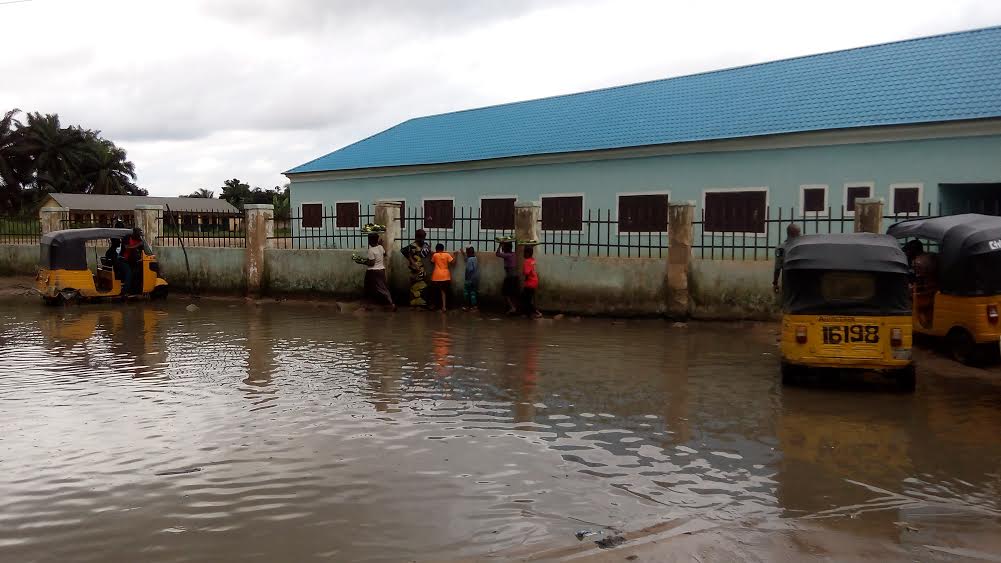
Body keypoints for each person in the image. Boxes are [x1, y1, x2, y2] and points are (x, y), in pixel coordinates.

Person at [362, 233, 396, 311]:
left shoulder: (371, 250)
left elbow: (371, 263)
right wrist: (380, 245)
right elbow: (385, 254)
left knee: (377, 288)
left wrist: (363, 262)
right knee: (379, 287)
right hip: (381, 270)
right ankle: (370, 304)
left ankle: (391, 304)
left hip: (373, 272)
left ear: (370, 241)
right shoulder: (380, 247)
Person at [401, 229, 432, 308]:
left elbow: (428, 253)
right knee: (415, 286)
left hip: (421, 268)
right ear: (417, 237)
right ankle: (415, 303)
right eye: (422, 237)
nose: (423, 239)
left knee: (423, 285)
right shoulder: (412, 246)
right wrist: (412, 262)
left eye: (423, 237)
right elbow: (404, 251)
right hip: (414, 269)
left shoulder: (424, 245)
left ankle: (421, 303)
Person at [773, 223, 801, 293]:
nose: (800, 235)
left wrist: (775, 283)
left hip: (787, 282)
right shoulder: (801, 247)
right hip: (800, 281)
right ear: (795, 234)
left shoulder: (781, 248)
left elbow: (777, 268)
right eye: (799, 233)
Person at [430, 243, 455, 312]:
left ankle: (436, 306)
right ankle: (444, 307)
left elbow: (432, 262)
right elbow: (453, 262)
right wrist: (455, 256)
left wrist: (432, 254)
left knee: (436, 292)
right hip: (446, 276)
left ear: (436, 249)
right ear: (443, 249)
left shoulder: (435, 255)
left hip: (436, 276)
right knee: (444, 291)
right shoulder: (447, 255)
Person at [120, 227, 145, 295]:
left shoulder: (139, 240)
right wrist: (138, 244)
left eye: (139, 235)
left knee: (137, 273)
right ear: (134, 233)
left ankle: (135, 290)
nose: (139, 236)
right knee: (129, 272)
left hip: (133, 261)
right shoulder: (127, 238)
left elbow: (142, 251)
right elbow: (127, 247)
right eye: (138, 234)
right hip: (123, 260)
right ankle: (125, 291)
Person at [496, 241, 518, 314]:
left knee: (506, 293)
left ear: (506, 248)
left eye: (504, 246)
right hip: (514, 277)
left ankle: (512, 307)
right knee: (513, 294)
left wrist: (499, 245)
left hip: (509, 277)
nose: (503, 248)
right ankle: (514, 307)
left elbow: (497, 254)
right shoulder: (513, 254)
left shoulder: (507, 255)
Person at [522, 245, 542, 318]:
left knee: (526, 299)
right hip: (534, 281)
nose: (523, 254)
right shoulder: (532, 259)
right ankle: (529, 313)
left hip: (529, 282)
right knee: (528, 298)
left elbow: (527, 273)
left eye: (524, 252)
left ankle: (535, 312)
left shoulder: (527, 261)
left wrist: (525, 280)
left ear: (527, 253)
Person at [462, 246, 479, 311]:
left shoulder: (469, 260)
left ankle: (467, 306)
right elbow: (466, 259)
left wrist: (466, 278)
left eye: (467, 252)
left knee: (466, 293)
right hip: (475, 279)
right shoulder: (475, 258)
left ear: (468, 253)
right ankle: (474, 306)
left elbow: (469, 269)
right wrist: (463, 253)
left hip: (469, 279)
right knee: (473, 293)